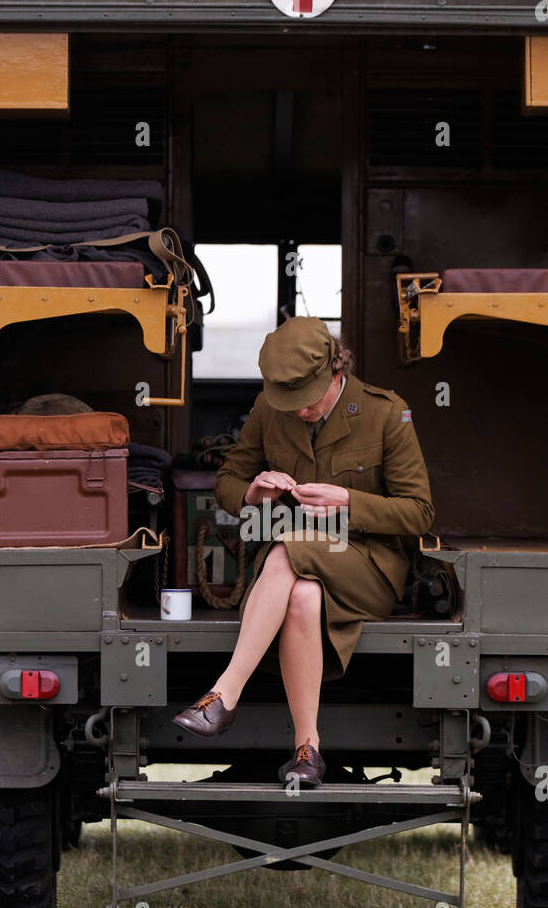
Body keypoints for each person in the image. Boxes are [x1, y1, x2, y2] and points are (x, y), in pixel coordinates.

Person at [173, 316, 434, 785]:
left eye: (308, 400)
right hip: (294, 569)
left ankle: (224, 694)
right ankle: (307, 750)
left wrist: (348, 501)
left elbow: (419, 513)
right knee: (303, 597)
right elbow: (227, 481)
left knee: (285, 551)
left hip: (367, 566)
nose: (299, 411)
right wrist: (253, 491)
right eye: (289, 402)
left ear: (337, 370)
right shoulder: (268, 408)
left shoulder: (386, 413)